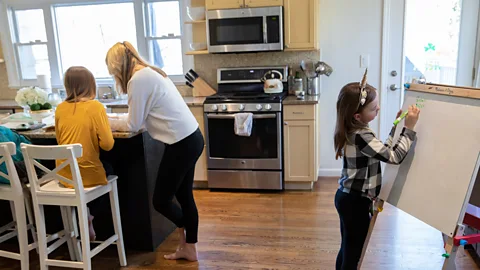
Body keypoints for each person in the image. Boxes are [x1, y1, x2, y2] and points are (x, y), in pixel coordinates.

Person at [105, 41, 204, 261]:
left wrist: (106, 122)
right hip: (191, 138)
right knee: (184, 196)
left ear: (118, 64)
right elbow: (138, 121)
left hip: (182, 143)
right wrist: (113, 120)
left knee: (161, 201)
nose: (114, 75)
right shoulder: (149, 73)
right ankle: (189, 248)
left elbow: (132, 125)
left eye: (112, 71)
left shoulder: (138, 80)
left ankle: (187, 237)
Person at [333, 69, 420, 270]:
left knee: (347, 247)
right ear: (357, 115)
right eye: (373, 108)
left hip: (348, 198)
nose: (378, 108)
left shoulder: (356, 131)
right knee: (353, 252)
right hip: (355, 202)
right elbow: (394, 157)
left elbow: (382, 150)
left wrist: (396, 127)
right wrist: (410, 129)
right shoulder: (361, 136)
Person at [55, 66, 115, 241]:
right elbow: (108, 145)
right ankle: (90, 214)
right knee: (110, 168)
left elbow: (60, 142)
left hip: (64, 175)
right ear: (91, 85)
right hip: (87, 176)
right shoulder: (95, 107)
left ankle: (83, 213)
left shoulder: (60, 108)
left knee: (89, 172)